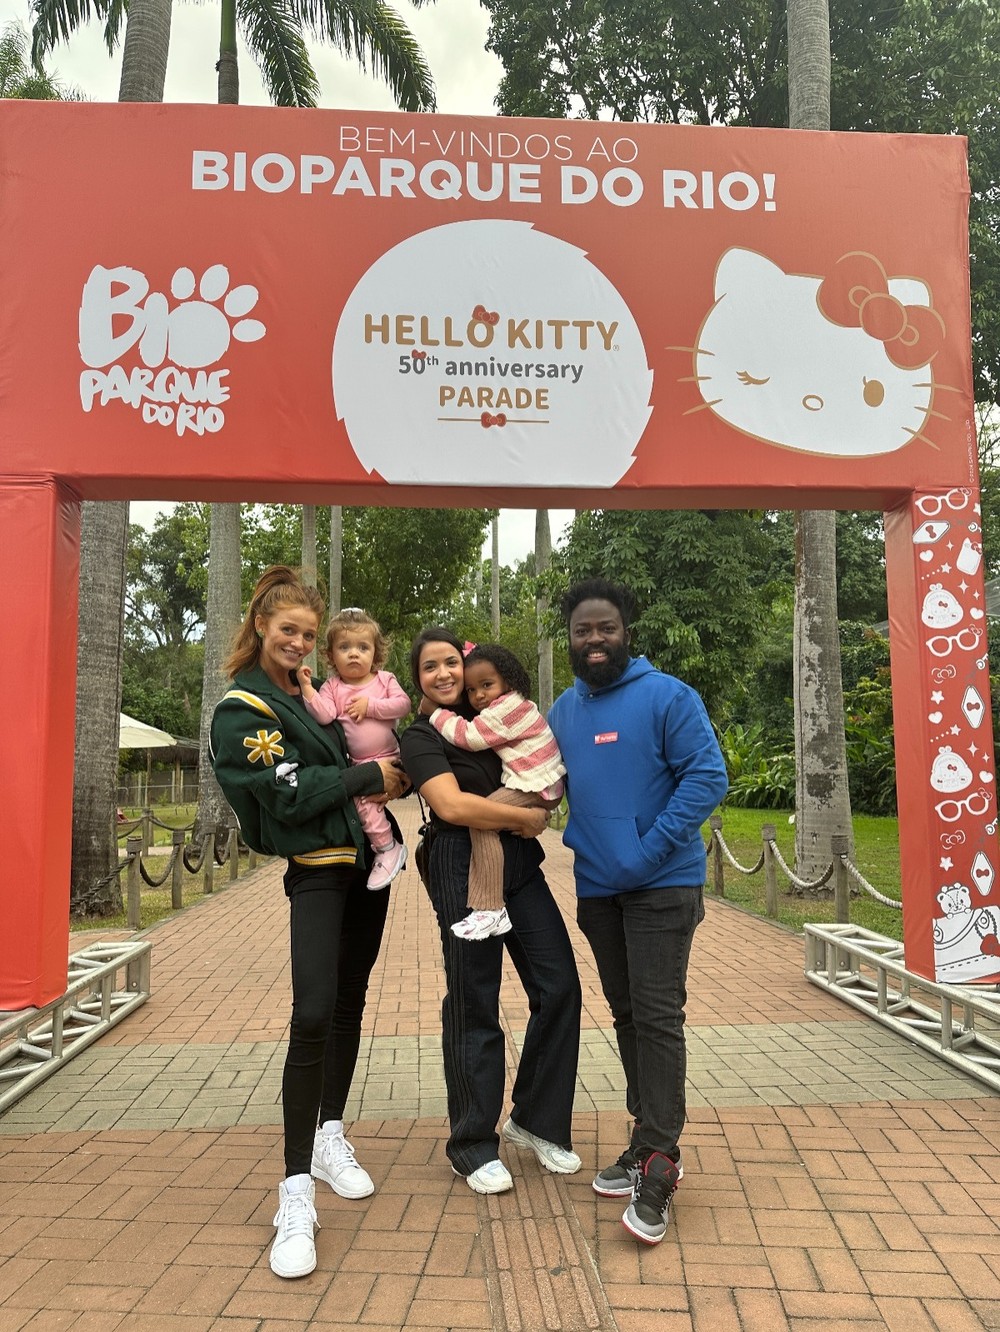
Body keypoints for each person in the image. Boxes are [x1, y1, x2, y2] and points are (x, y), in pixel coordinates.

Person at [209, 566, 409, 1280]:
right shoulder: (243, 708)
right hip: (319, 869)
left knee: (350, 1002)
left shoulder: (309, 693)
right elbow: (285, 793)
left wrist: (379, 772)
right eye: (287, 629)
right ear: (260, 625)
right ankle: (294, 1191)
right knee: (313, 1012)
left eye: (306, 633)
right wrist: (369, 779)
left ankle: (329, 1133)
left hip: (367, 865)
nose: (297, 642)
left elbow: (362, 749)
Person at [548, 578, 728, 1247]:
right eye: (582, 631)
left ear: (627, 631)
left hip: (662, 885)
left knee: (656, 1015)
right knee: (626, 1014)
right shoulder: (564, 710)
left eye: (606, 628)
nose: (594, 640)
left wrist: (648, 850)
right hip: (599, 889)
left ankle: (660, 1160)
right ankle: (644, 1136)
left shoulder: (668, 696)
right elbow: (538, 779)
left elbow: (707, 777)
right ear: (570, 639)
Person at [399, 628, 582, 1195]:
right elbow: (452, 806)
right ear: (418, 679)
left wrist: (526, 820)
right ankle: (472, 1142)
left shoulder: (491, 716)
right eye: (429, 667)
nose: (443, 674)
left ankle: (536, 1120)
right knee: (474, 997)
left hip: (517, 863)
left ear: (468, 664)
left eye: (450, 662)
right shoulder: (422, 735)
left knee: (559, 986)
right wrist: (525, 818)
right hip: (460, 865)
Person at [428, 642, 566, 941]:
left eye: (486, 685)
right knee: (487, 816)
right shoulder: (511, 705)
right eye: (471, 689)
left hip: (535, 783)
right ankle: (490, 909)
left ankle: (490, 909)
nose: (478, 695)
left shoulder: (507, 709)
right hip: (538, 782)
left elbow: (469, 736)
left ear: (507, 680)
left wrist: (435, 714)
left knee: (482, 819)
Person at [298, 607, 410, 891]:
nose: (353, 654)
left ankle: (387, 848)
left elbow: (403, 705)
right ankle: (387, 846)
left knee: (371, 803)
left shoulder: (384, 680)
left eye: (363, 647)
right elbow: (324, 714)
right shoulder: (333, 687)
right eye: (344, 647)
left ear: (375, 653)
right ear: (331, 655)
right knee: (365, 804)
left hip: (392, 757)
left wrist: (370, 706)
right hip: (360, 764)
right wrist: (307, 688)